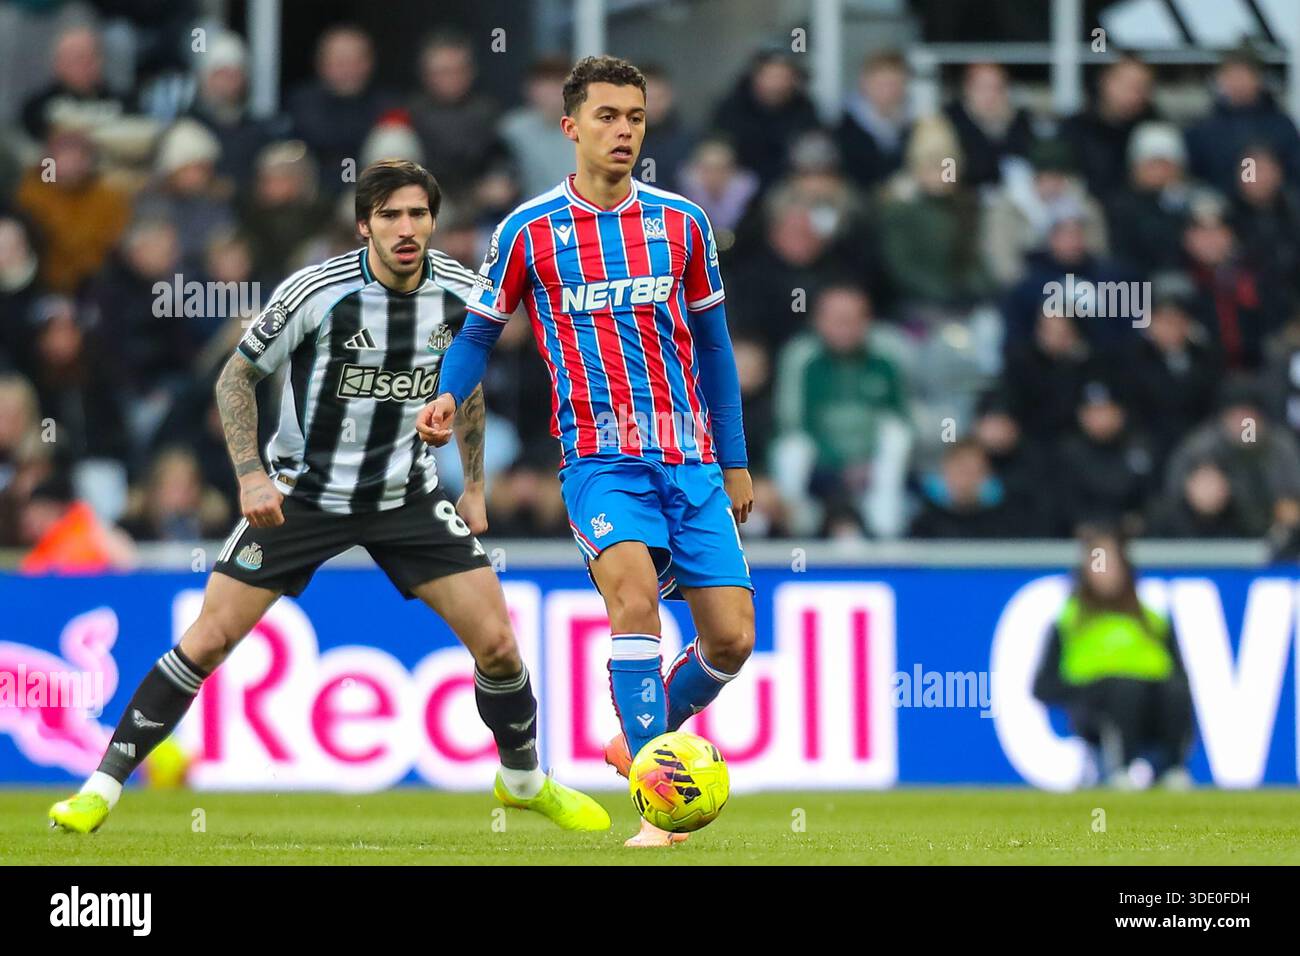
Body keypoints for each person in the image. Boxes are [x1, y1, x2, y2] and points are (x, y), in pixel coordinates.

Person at [47, 160, 608, 836]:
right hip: (300, 494)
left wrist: (477, 486)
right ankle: (100, 789)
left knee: (497, 644)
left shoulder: (464, 292)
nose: (406, 229)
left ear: (434, 221)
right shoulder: (318, 289)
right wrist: (252, 475)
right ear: (364, 223)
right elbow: (235, 379)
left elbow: (469, 390)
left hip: (405, 496)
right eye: (391, 215)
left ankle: (522, 781)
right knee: (210, 637)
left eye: (418, 215)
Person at [421, 56, 755, 847]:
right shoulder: (528, 230)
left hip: (691, 455)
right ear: (570, 127)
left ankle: (636, 743)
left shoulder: (683, 224)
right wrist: (444, 392)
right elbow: (477, 331)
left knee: (732, 638)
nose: (624, 131)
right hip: (599, 457)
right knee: (633, 599)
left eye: (634, 117)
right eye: (606, 117)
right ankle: (656, 803)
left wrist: (735, 459)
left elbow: (715, 348)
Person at [1033, 527, 1195, 788]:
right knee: (1125, 690)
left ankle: (1173, 769)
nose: (1105, 572)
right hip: (1097, 704)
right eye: (1099, 563)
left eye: (1112, 563)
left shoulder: (1152, 620)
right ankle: (1121, 768)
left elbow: (1180, 674)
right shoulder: (1070, 621)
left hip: (1152, 701)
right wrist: (1085, 692)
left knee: (1174, 692)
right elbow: (1042, 686)